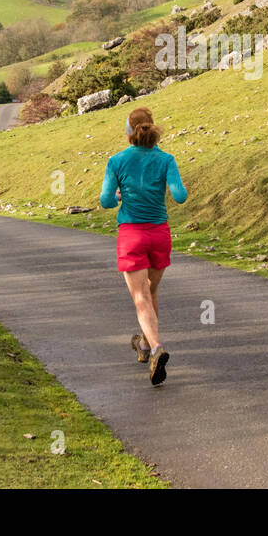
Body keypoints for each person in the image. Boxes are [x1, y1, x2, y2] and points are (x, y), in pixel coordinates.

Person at [99, 106, 187, 385]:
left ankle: (157, 348)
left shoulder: (116, 161)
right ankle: (147, 345)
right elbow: (180, 195)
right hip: (160, 234)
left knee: (140, 299)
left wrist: (118, 196)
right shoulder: (166, 159)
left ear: (129, 132)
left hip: (132, 236)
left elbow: (106, 201)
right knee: (151, 292)